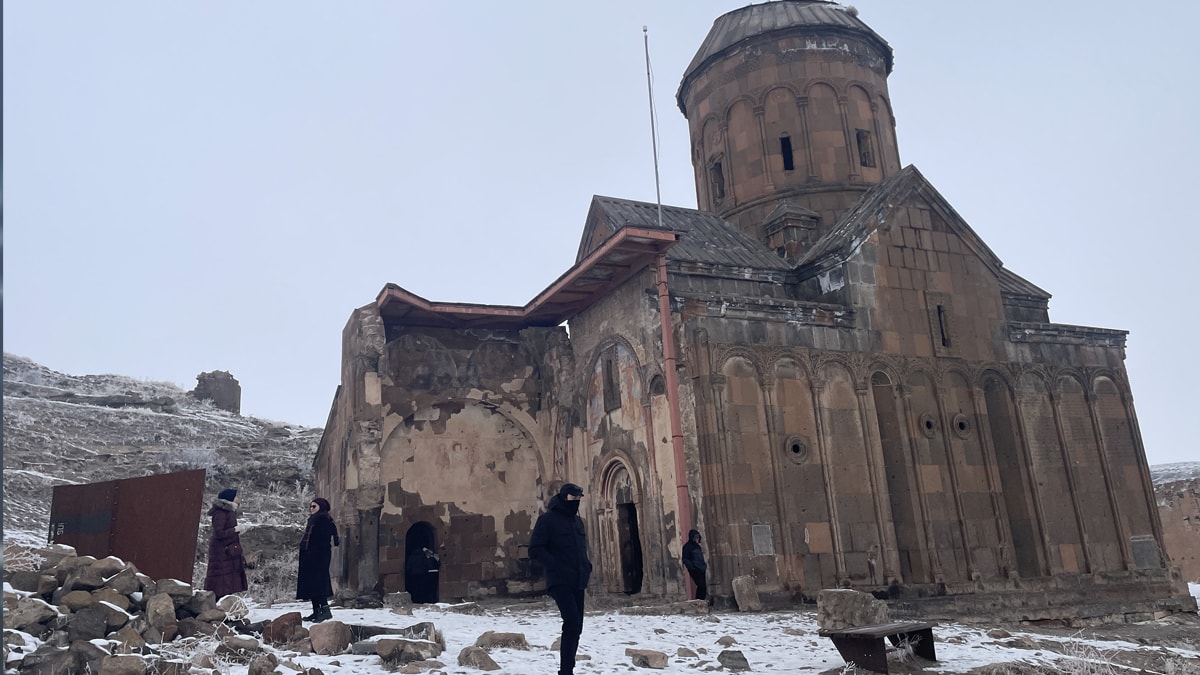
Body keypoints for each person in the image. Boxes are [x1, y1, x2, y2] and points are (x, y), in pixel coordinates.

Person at [529, 483, 592, 675]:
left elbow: (581, 549)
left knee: (577, 627)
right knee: (571, 621)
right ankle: (565, 671)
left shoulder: (577, 522)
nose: (577, 502)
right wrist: (555, 564)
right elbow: (535, 549)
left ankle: (568, 668)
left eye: (579, 499)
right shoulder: (547, 520)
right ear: (565, 497)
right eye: (574, 498)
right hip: (559, 580)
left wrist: (587, 566)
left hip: (578, 579)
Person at [297, 497, 340, 622]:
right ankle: (316, 611)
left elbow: (322, 540)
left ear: (321, 507)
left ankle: (325, 610)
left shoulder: (323, 520)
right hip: (312, 556)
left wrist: (312, 553)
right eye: (310, 506)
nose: (311, 509)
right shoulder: (315, 519)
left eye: (314, 506)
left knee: (319, 582)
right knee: (312, 584)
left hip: (318, 556)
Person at [203, 488, 248, 599]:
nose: (238, 498)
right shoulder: (220, 513)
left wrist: (237, 532)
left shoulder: (228, 511)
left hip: (227, 551)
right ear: (229, 499)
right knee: (221, 581)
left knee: (226, 581)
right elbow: (219, 533)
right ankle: (218, 606)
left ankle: (223, 605)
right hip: (221, 552)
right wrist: (235, 530)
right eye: (235, 496)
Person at [682, 528, 708, 601]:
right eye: (695, 537)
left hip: (701, 569)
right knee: (701, 585)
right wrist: (692, 567)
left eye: (698, 537)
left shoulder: (698, 546)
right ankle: (698, 601)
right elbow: (685, 559)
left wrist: (704, 566)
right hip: (695, 569)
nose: (697, 539)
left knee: (703, 587)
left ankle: (701, 601)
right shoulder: (687, 547)